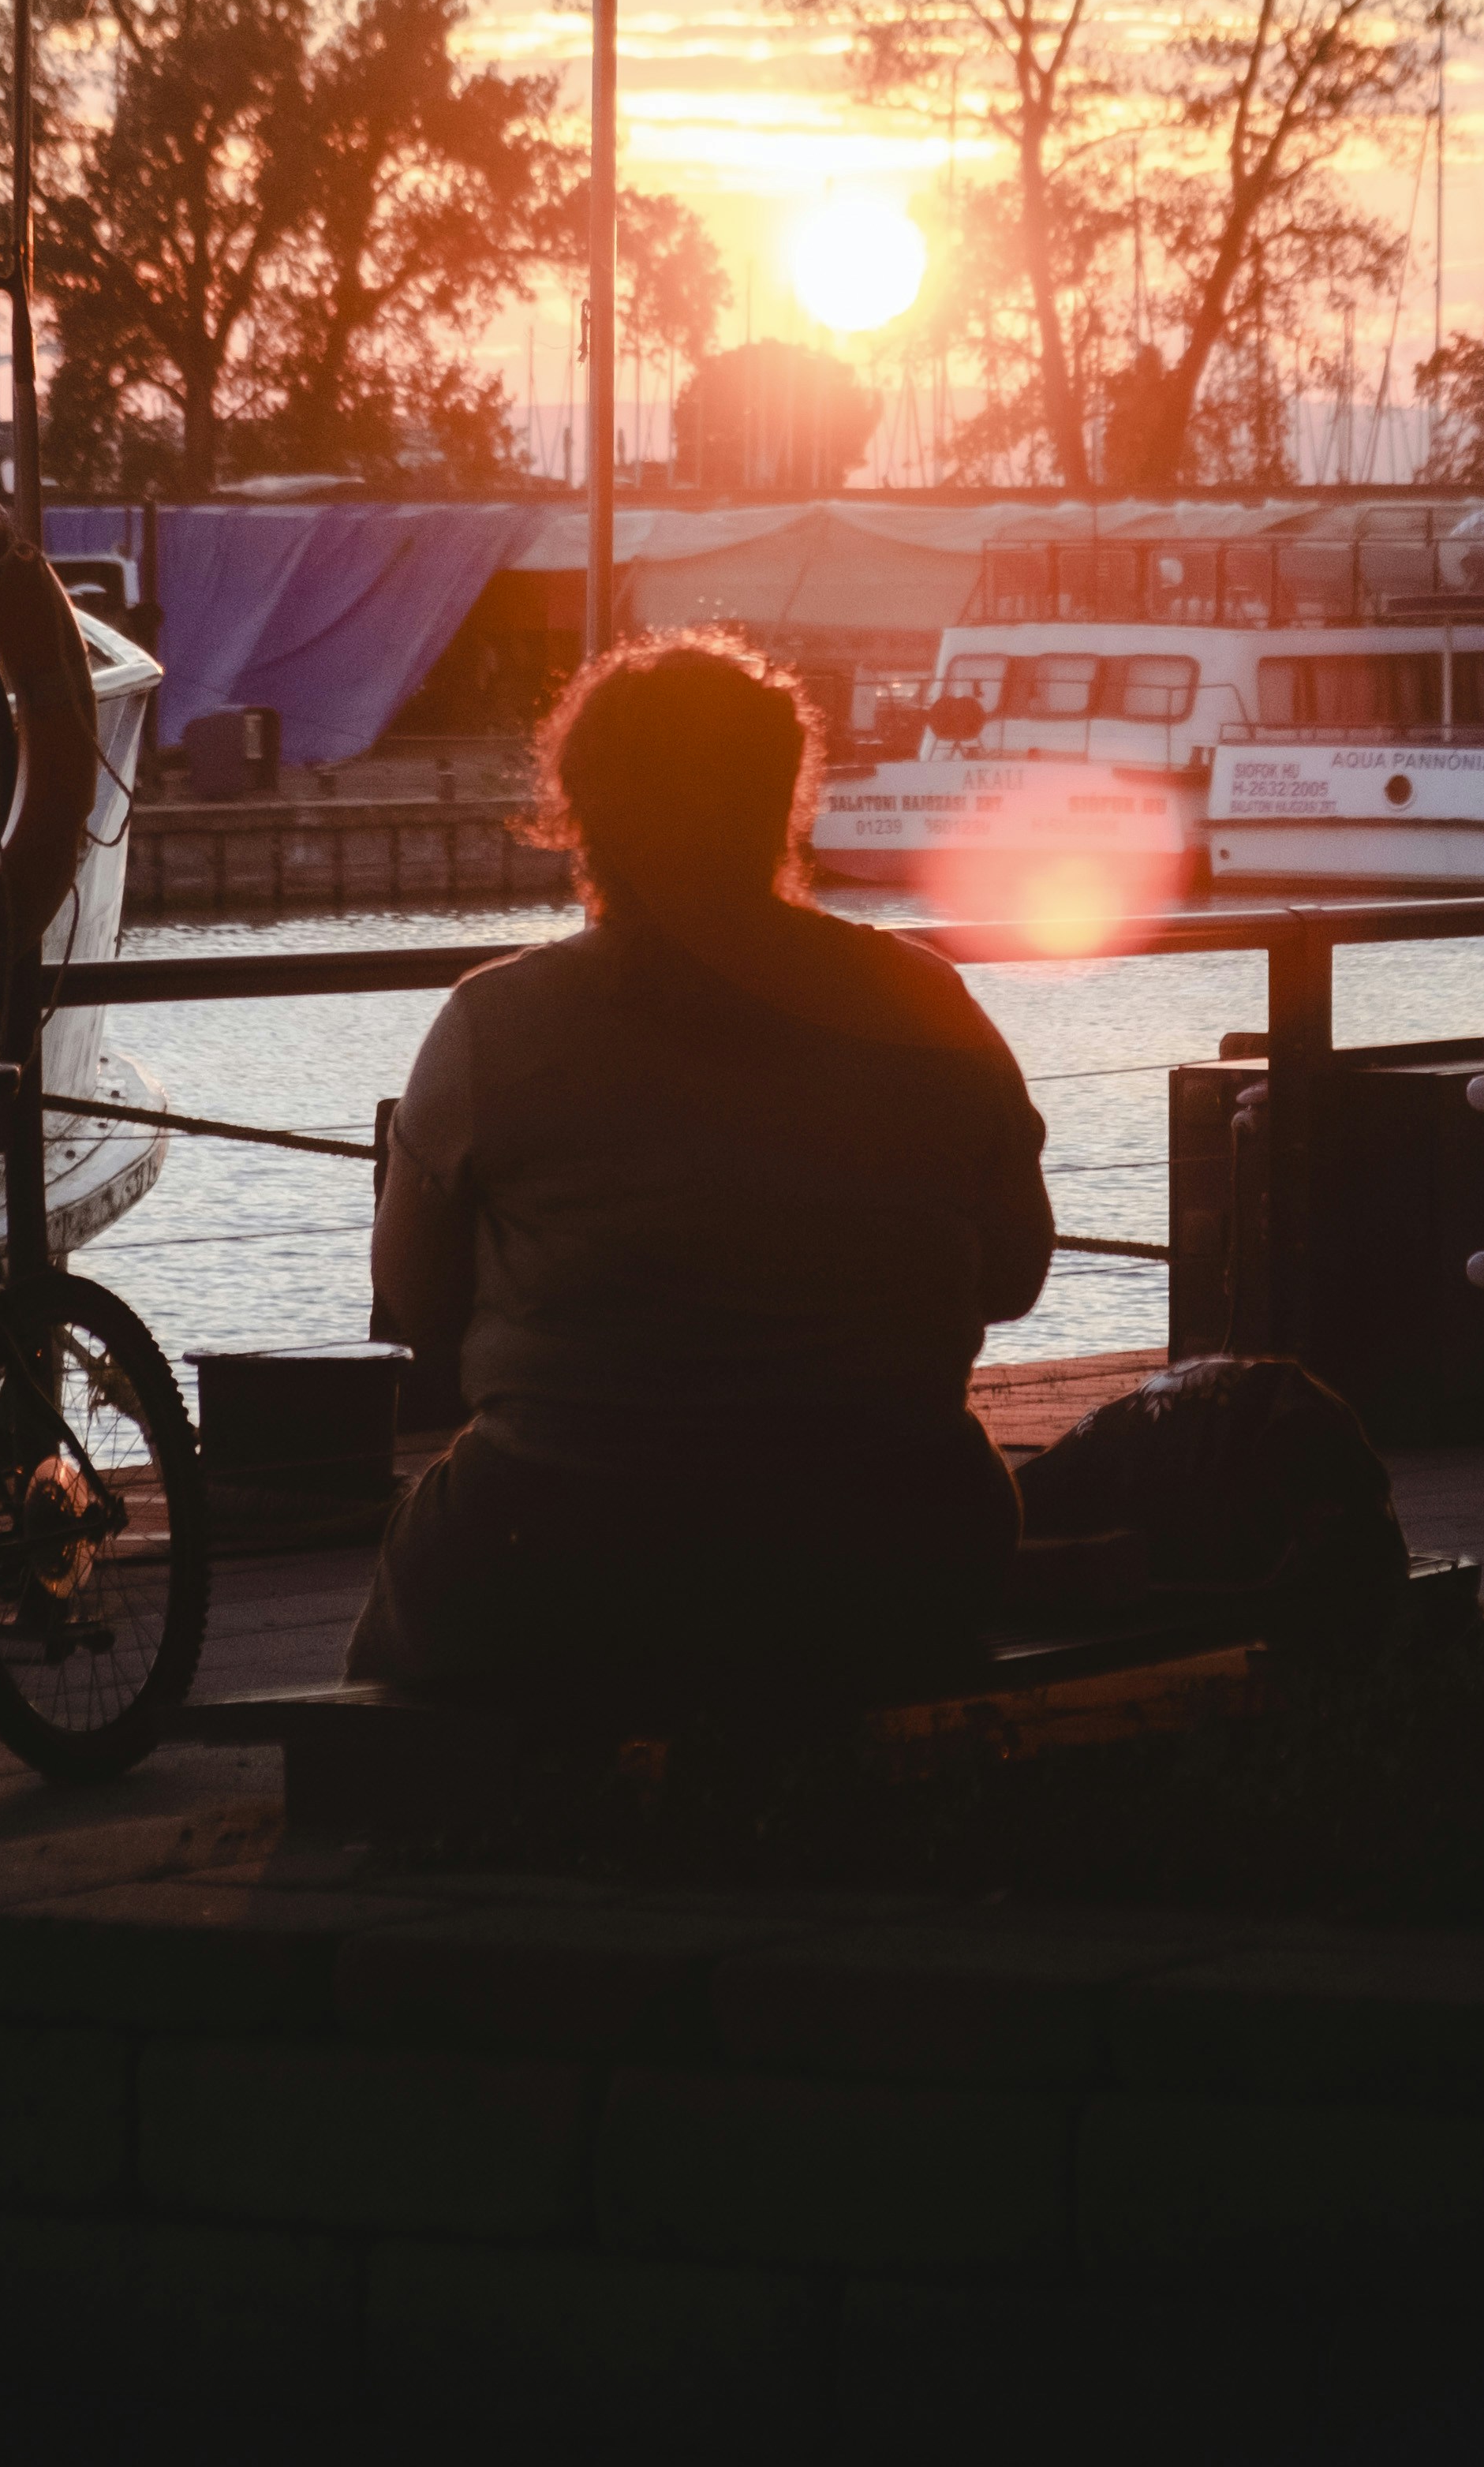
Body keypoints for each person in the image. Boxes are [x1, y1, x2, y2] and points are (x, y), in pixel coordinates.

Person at [346, 634, 1050, 1709]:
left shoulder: (498, 1022)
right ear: (783, 796)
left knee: (430, 1558)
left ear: (587, 813)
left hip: (569, 1551)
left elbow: (412, 1294)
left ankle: (411, 1826)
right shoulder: (929, 1001)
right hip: (892, 1548)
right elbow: (1013, 1275)